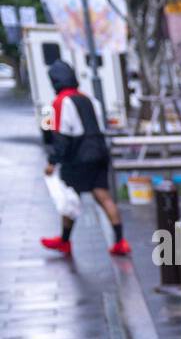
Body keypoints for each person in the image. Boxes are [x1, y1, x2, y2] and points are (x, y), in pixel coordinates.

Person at [39, 60, 131, 257]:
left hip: (78, 156)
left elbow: (62, 136)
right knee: (103, 196)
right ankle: (120, 241)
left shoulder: (61, 102)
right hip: (99, 151)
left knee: (70, 198)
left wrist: (52, 161)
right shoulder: (89, 99)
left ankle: (64, 240)